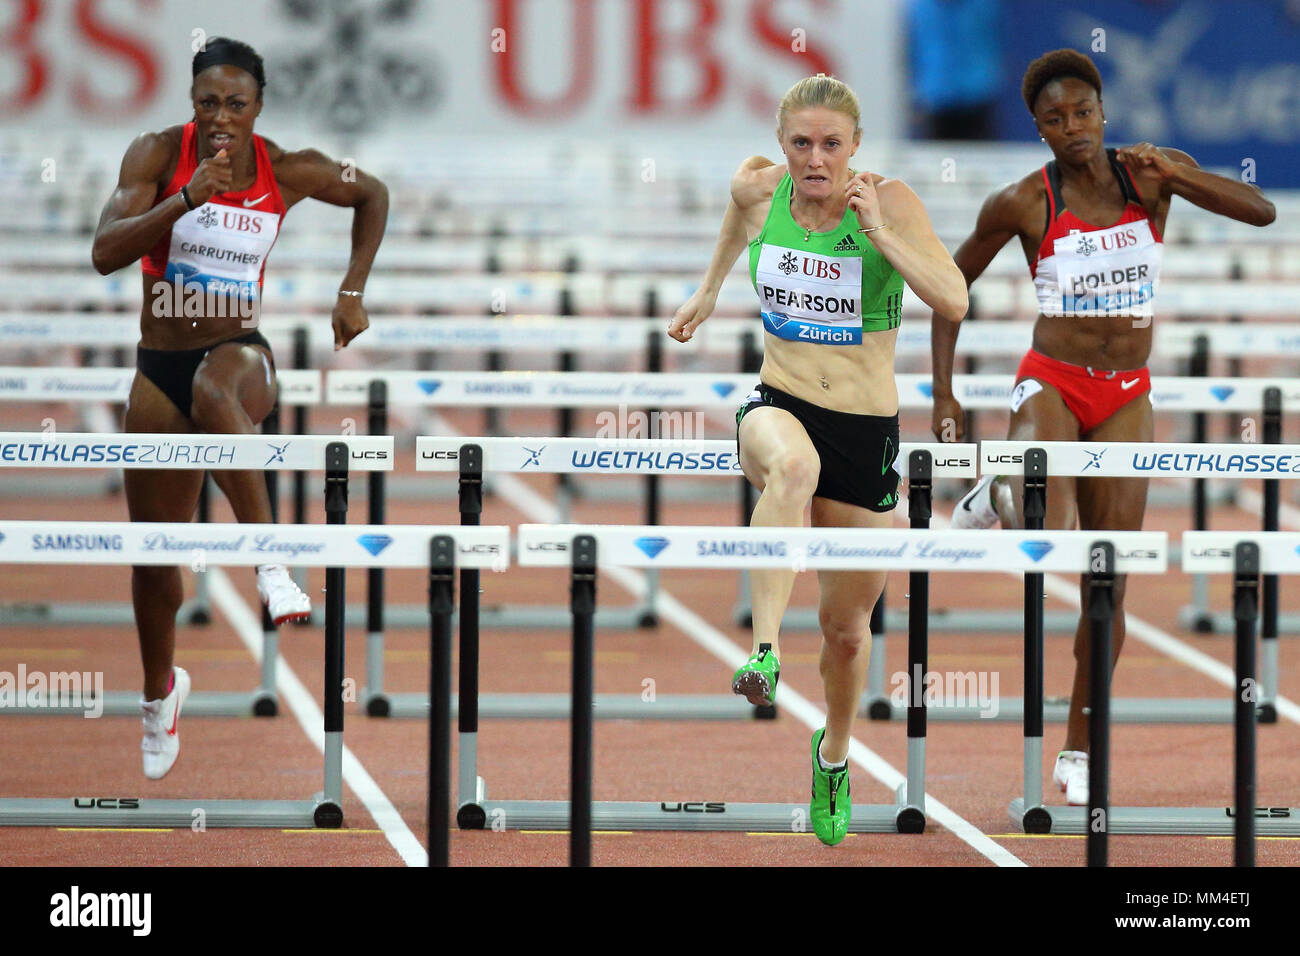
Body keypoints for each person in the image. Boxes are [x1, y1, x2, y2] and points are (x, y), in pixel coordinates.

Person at [932, 49, 1275, 805]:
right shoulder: (1023, 201)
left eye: (1083, 113)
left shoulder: (1154, 174)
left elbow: (1263, 211)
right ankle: (998, 489)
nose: (1073, 129)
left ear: (1103, 111)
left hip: (1125, 393)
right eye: (1055, 120)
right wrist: (946, 394)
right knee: (1041, 513)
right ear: (1039, 129)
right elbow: (948, 289)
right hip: (1052, 379)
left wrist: (1179, 178)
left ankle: (1082, 743)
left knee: (1106, 582)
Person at [669, 74, 967, 845]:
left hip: (865, 432)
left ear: (856, 147)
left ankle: (833, 753)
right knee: (790, 472)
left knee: (845, 631)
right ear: (782, 145)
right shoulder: (760, 189)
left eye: (831, 144)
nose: (816, 158)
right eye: (801, 143)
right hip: (780, 403)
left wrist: (882, 239)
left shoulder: (890, 201)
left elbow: (955, 299)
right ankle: (763, 653)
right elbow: (738, 221)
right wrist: (707, 292)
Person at [91, 37, 389, 779]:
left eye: (236, 104)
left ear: (259, 106)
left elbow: (372, 192)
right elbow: (104, 251)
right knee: (154, 562)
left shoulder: (289, 170)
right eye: (207, 104)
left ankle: (270, 562)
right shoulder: (157, 155)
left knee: (216, 389)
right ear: (191, 105)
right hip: (158, 363)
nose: (221, 118)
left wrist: (352, 290)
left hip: (241, 353)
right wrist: (187, 197)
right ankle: (159, 697)